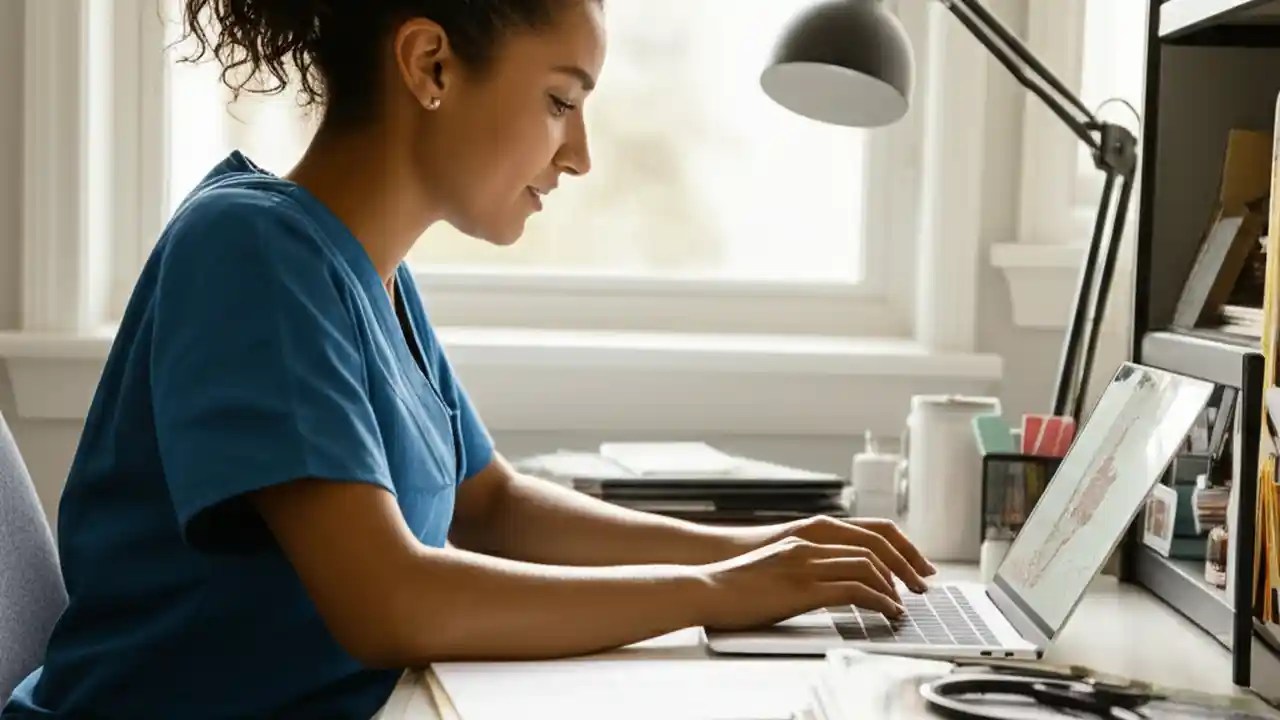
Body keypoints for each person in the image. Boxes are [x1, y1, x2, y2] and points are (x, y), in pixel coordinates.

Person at [2, 1, 937, 717]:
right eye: (560, 101)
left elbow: (491, 505)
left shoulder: (373, 275)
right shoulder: (248, 253)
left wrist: (765, 552)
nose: (579, 157)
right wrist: (714, 592)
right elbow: (390, 601)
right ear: (430, 62)